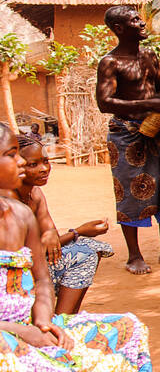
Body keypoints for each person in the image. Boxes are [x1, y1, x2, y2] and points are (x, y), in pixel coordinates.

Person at [0, 122, 156, 372]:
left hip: (30, 325)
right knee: (3, 352)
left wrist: (44, 321)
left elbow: (40, 278)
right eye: (10, 154)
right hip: (4, 332)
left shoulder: (21, 213)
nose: (21, 162)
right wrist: (17, 330)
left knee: (124, 329)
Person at [95, 5, 160, 274]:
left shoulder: (149, 55)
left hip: (156, 130)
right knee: (131, 192)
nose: (142, 23)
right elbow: (104, 102)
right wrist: (149, 102)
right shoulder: (110, 62)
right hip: (126, 135)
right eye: (134, 20)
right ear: (118, 29)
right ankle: (134, 256)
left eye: (139, 18)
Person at [13, 133, 113, 315]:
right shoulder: (8, 200)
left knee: (89, 249)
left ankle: (64, 319)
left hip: (35, 265)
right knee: (82, 248)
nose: (44, 169)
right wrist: (78, 231)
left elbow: (52, 243)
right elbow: (31, 251)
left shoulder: (34, 194)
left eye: (46, 161)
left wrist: (68, 235)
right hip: (14, 273)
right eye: (33, 164)